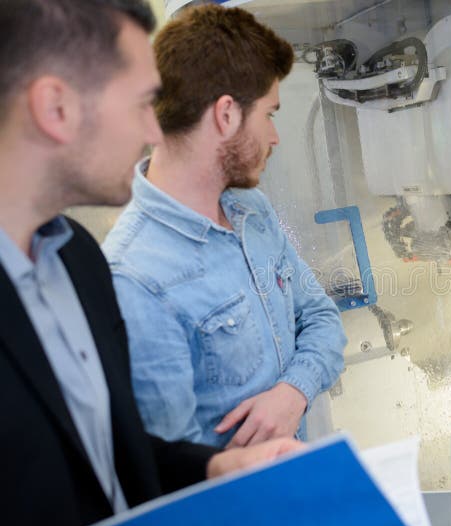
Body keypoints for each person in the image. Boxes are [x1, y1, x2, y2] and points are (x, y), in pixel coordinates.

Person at [0, 1, 304, 526]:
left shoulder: (75, 259)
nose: (154, 129)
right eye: (143, 103)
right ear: (57, 108)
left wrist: (214, 466)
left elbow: (118, 461)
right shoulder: (127, 269)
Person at [102, 5, 346, 449]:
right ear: (227, 115)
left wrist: (293, 393)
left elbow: (323, 320)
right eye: (269, 114)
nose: (275, 137)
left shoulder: (250, 210)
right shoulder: (136, 278)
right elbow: (173, 478)